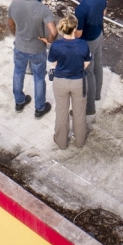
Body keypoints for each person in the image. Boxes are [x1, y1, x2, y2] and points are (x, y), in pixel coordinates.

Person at [9, 0, 56, 117]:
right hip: (37, 50)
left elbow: (10, 23)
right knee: (39, 78)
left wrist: (17, 35)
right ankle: (40, 108)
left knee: (18, 73)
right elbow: (53, 32)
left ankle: (19, 102)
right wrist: (48, 41)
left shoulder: (14, 5)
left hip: (19, 47)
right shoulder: (43, 10)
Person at [48, 15, 92, 149]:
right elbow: (86, 62)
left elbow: (53, 62)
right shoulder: (83, 44)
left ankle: (61, 142)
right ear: (74, 28)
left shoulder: (56, 45)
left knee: (61, 113)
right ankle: (80, 141)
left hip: (60, 82)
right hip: (78, 82)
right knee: (79, 113)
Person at [73, 0, 106, 114]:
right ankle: (97, 95)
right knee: (98, 65)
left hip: (89, 42)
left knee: (88, 73)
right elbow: (104, 11)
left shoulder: (81, 9)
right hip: (99, 34)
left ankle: (89, 107)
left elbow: (79, 33)